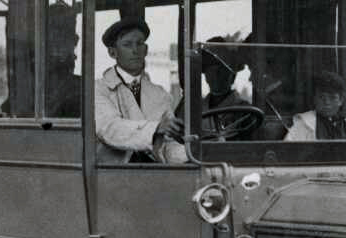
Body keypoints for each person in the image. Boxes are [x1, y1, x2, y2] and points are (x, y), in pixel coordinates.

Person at [94, 15, 184, 163]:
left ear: (146, 49)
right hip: (112, 175)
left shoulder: (160, 95)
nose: (135, 50)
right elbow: (110, 129)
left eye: (139, 43)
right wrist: (155, 129)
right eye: (127, 45)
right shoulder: (99, 89)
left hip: (154, 174)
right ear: (112, 52)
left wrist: (192, 155)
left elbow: (167, 147)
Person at [283, 70, 346, 141]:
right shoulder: (303, 125)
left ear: (341, 100)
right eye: (322, 97)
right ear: (314, 99)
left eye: (332, 98)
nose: (327, 102)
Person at [200, 37, 251, 137]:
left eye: (221, 70)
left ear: (232, 76)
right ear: (205, 75)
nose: (216, 76)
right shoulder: (198, 109)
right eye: (210, 70)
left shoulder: (245, 111)